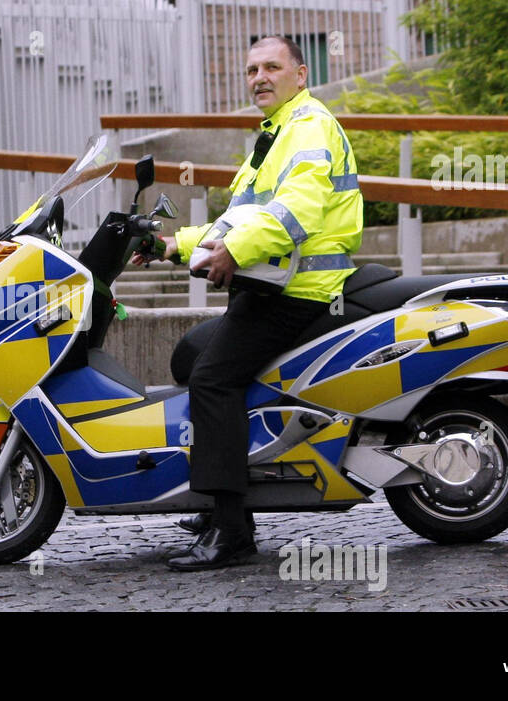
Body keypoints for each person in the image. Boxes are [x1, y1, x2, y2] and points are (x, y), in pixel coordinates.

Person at [138, 36, 363, 571]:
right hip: (271, 289)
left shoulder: (308, 126)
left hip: (299, 293)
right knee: (192, 355)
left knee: (214, 378)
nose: (259, 77)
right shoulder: (275, 133)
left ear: (301, 74)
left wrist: (235, 252)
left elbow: (296, 209)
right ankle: (232, 490)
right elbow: (237, 220)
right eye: (251, 70)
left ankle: (233, 531)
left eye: (271, 67)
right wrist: (173, 245)